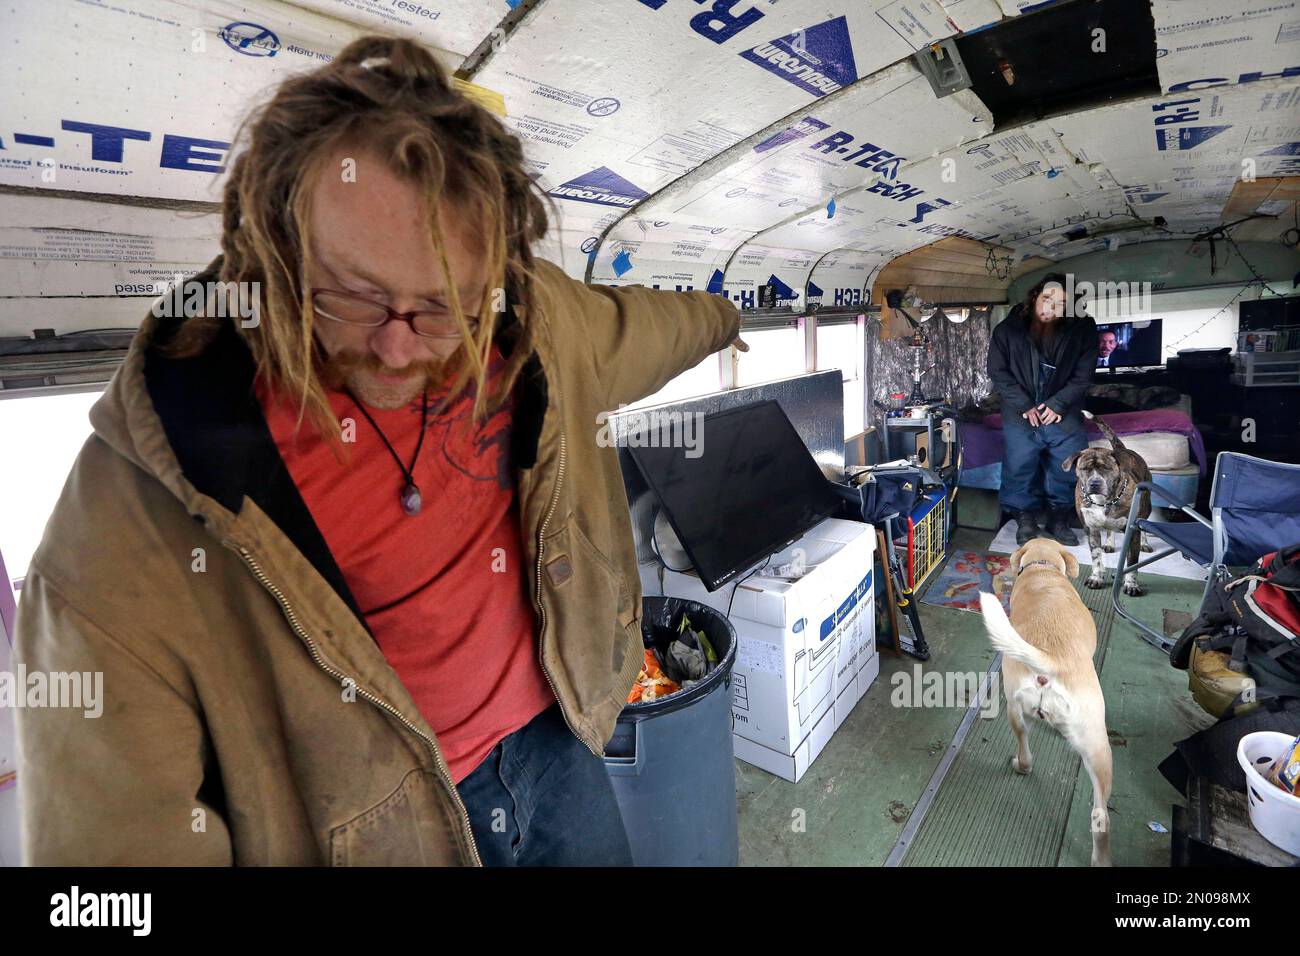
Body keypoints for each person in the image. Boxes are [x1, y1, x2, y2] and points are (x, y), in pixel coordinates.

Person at [14, 36, 744, 866]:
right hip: (377, 830)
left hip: (559, 740)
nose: (399, 351)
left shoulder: (534, 330)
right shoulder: (132, 513)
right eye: (354, 297)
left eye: (442, 309)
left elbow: (646, 325)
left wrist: (725, 317)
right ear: (273, 250)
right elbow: (114, 843)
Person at [986, 273, 1098, 546]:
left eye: (1060, 303)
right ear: (1036, 296)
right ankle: (1024, 516)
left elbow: (1084, 375)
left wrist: (1058, 404)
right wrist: (1024, 404)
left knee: (1068, 461)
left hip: (1063, 407)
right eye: (1047, 298)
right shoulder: (1007, 330)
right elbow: (997, 372)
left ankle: (1059, 517)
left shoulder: (1083, 329)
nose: (1050, 308)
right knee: (1019, 462)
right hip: (1019, 409)